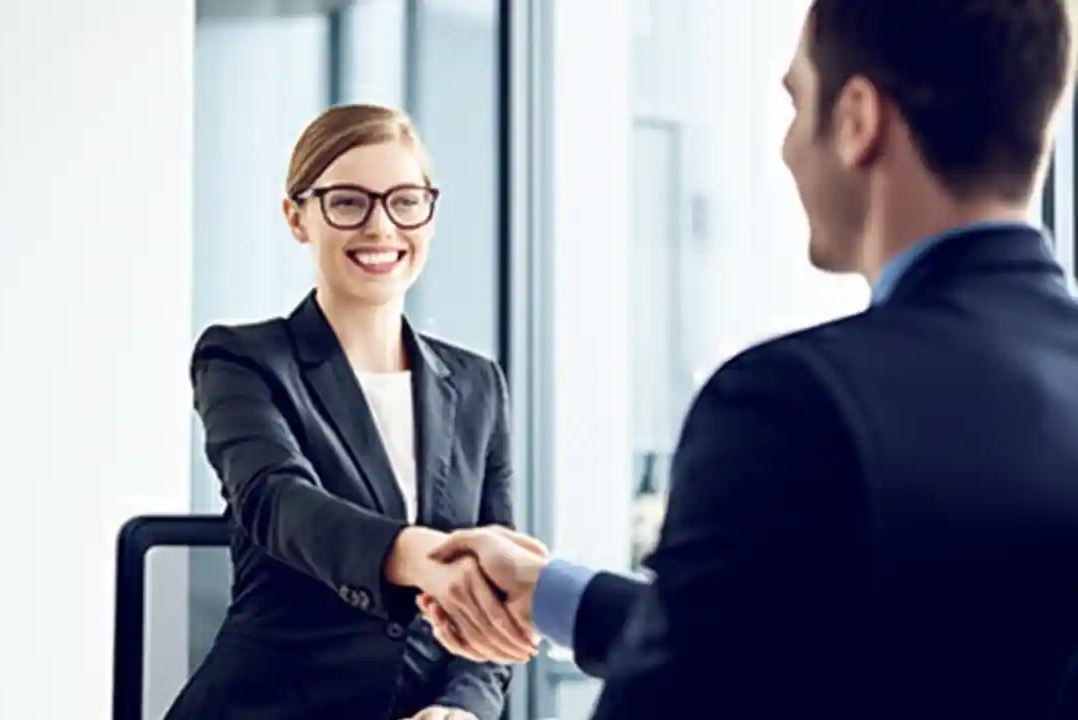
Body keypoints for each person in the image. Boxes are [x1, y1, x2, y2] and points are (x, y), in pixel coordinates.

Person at [419, 1, 1078, 719]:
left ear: (858, 120)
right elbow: (918, 647)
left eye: (798, 104)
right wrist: (558, 596)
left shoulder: (796, 404)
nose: (790, 147)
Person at [165, 104, 536, 720]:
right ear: (297, 217)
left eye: (405, 201)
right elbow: (277, 502)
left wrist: (462, 707)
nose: (381, 227)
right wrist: (420, 555)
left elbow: (494, 601)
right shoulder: (243, 357)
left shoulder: (477, 385)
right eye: (348, 202)